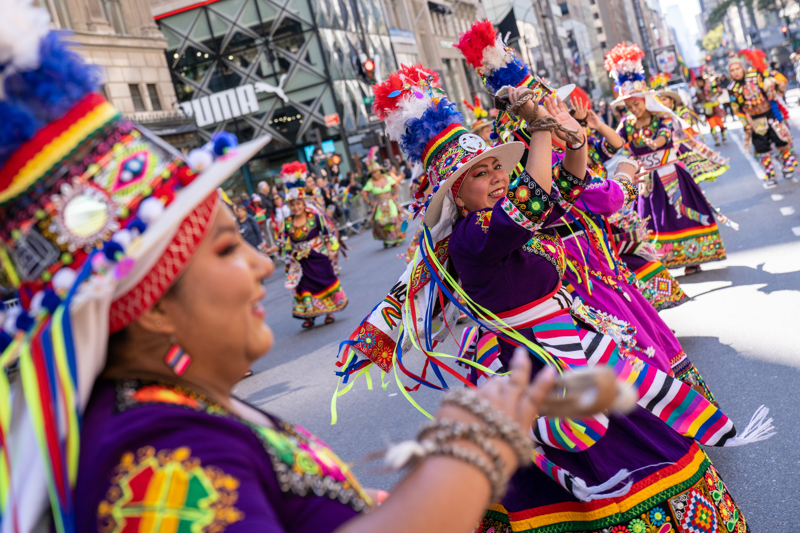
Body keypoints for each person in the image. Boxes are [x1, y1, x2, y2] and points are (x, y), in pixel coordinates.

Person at [0, 14, 581, 532]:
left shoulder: (173, 414)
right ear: (150, 304)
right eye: (227, 250)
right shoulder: (157, 456)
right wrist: (473, 449)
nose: (258, 263)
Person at [342, 62, 766, 533]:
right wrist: (539, 126)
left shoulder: (495, 220)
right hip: (536, 362)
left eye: (496, 167)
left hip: (565, 344)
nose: (497, 177)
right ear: (457, 196)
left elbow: (566, 185)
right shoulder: (473, 235)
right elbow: (536, 198)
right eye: (481, 174)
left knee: (636, 441)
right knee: (597, 463)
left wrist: (568, 136)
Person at [458, 24, 704, 382]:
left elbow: (585, 176)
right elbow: (602, 196)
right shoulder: (535, 171)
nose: (561, 115)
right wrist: (623, 179)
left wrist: (579, 141)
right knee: (630, 357)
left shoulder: (546, 160)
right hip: (579, 271)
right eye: (551, 111)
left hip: (592, 257)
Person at [605, 43, 735, 276]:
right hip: (646, 182)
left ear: (645, 100)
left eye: (636, 103)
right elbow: (614, 142)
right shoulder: (626, 125)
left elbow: (666, 135)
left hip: (672, 175)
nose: (633, 108)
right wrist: (597, 126)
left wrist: (657, 143)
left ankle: (692, 258)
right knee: (649, 219)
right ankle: (660, 262)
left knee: (682, 213)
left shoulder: (662, 118)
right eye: (628, 105)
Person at [277, 184, 347, 327]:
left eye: (298, 204)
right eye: (292, 204)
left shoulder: (315, 217)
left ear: (303, 204)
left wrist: (330, 249)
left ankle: (329, 312)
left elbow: (326, 233)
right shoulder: (287, 222)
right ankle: (309, 315)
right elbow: (282, 241)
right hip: (300, 261)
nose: (296, 207)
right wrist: (273, 249)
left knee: (324, 281)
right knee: (304, 286)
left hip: (318, 256)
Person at [728, 49, 798, 188]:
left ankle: (787, 166)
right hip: (754, 121)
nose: (736, 72)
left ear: (742, 67)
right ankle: (770, 174)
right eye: (732, 70)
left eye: (737, 68)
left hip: (770, 114)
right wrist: (745, 123)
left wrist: (773, 82)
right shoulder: (732, 88)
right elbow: (737, 109)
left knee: (782, 140)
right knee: (761, 149)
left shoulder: (755, 75)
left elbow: (773, 85)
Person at [658, 87, 730, 184]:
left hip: (685, 147)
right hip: (668, 151)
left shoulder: (682, 112)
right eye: (659, 100)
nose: (662, 102)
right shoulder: (658, 117)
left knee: (691, 178)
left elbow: (686, 125)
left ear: (672, 100)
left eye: (664, 99)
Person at [362, 146, 406, 247]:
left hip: (390, 202)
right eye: (373, 173)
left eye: (376, 171)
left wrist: (394, 195)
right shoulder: (370, 182)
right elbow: (363, 193)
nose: (375, 174)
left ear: (380, 171)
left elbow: (396, 185)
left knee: (394, 218)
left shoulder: (387, 178)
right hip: (378, 205)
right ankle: (386, 240)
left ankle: (396, 239)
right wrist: (369, 202)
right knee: (379, 221)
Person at [693, 75, 728, 146]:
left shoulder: (711, 86)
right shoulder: (698, 91)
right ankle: (716, 140)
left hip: (716, 109)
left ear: (703, 81)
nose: (699, 83)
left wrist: (715, 97)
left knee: (721, 124)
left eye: (700, 81)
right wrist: (695, 103)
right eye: (698, 82)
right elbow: (698, 99)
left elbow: (720, 90)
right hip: (708, 111)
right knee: (712, 126)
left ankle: (724, 136)